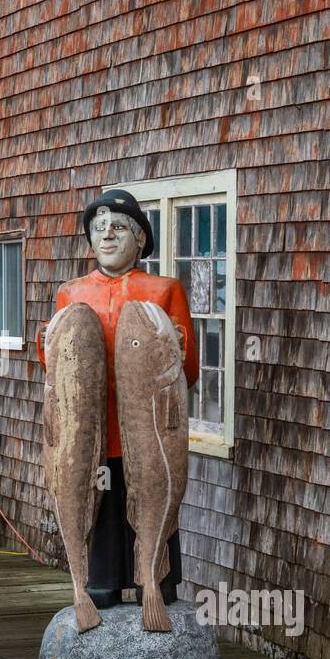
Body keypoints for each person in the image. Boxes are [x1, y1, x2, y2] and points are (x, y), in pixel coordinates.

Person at [37, 189, 198, 608]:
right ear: (90, 239)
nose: (108, 234)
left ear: (140, 238)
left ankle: (156, 580)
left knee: (152, 492)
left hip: (151, 430)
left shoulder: (164, 290)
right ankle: (100, 582)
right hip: (92, 433)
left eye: (119, 227)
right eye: (99, 228)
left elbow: (188, 366)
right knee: (101, 504)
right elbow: (55, 364)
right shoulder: (70, 293)